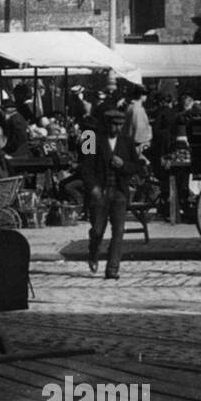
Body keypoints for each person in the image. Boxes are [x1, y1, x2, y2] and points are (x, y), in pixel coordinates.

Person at [81, 106, 143, 279]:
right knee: (97, 230)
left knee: (119, 231)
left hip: (119, 192)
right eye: (115, 125)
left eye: (121, 125)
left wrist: (123, 164)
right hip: (99, 193)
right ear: (107, 124)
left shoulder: (127, 141)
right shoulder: (91, 138)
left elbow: (137, 166)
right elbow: (84, 168)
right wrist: (92, 187)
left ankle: (112, 269)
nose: (118, 129)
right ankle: (93, 253)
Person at [124, 86, 152, 160]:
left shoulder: (130, 107)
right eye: (145, 94)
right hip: (139, 145)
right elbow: (139, 129)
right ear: (141, 95)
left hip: (130, 142)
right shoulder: (137, 109)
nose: (146, 97)